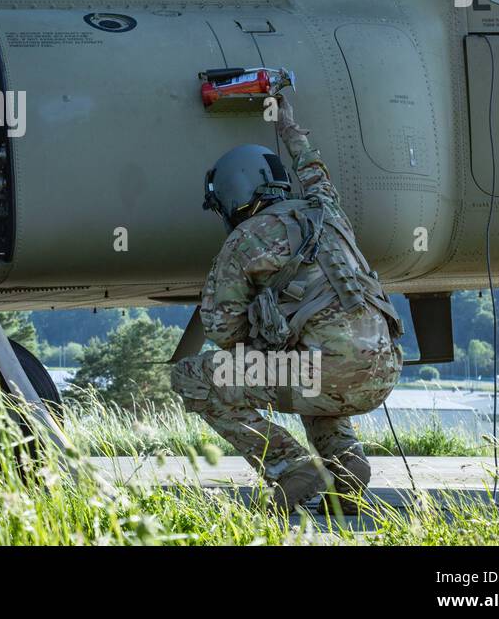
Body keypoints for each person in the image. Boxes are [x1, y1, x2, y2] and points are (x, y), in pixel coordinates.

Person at [171, 94, 403, 513]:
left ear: (232, 194)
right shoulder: (328, 211)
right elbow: (314, 171)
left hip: (323, 373)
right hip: (383, 372)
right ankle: (345, 466)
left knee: (192, 376)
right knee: (307, 367)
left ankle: (289, 465)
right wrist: (287, 123)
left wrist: (262, 337)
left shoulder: (246, 239)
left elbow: (222, 329)